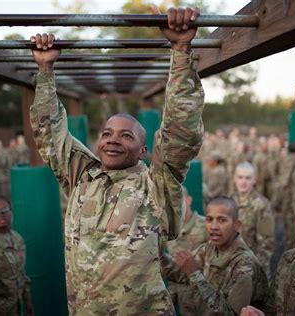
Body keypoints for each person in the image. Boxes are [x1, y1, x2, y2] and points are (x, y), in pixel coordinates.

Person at [29, 6, 204, 314]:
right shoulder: (84, 176)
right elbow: (49, 134)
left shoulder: (156, 185)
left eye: (126, 136)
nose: (112, 139)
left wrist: (180, 51)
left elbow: (180, 132)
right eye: (108, 133)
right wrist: (45, 72)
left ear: (144, 151)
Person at [162, 197, 269, 315]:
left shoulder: (244, 264)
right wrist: (157, 254)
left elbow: (230, 313)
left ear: (236, 224)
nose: (214, 226)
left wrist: (194, 274)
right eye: (209, 220)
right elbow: (181, 274)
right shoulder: (209, 248)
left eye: (222, 220)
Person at [166, 186, 207, 313]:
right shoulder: (170, 232)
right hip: (184, 305)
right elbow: (174, 273)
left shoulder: (207, 226)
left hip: (206, 303)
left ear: (189, 200)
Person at [230, 162, 275, 276]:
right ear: (234, 179)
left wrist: (258, 271)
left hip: (253, 267)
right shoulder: (229, 201)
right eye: (240, 177)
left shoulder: (262, 205)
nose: (243, 181)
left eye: (248, 178)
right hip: (231, 265)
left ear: (254, 180)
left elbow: (266, 243)